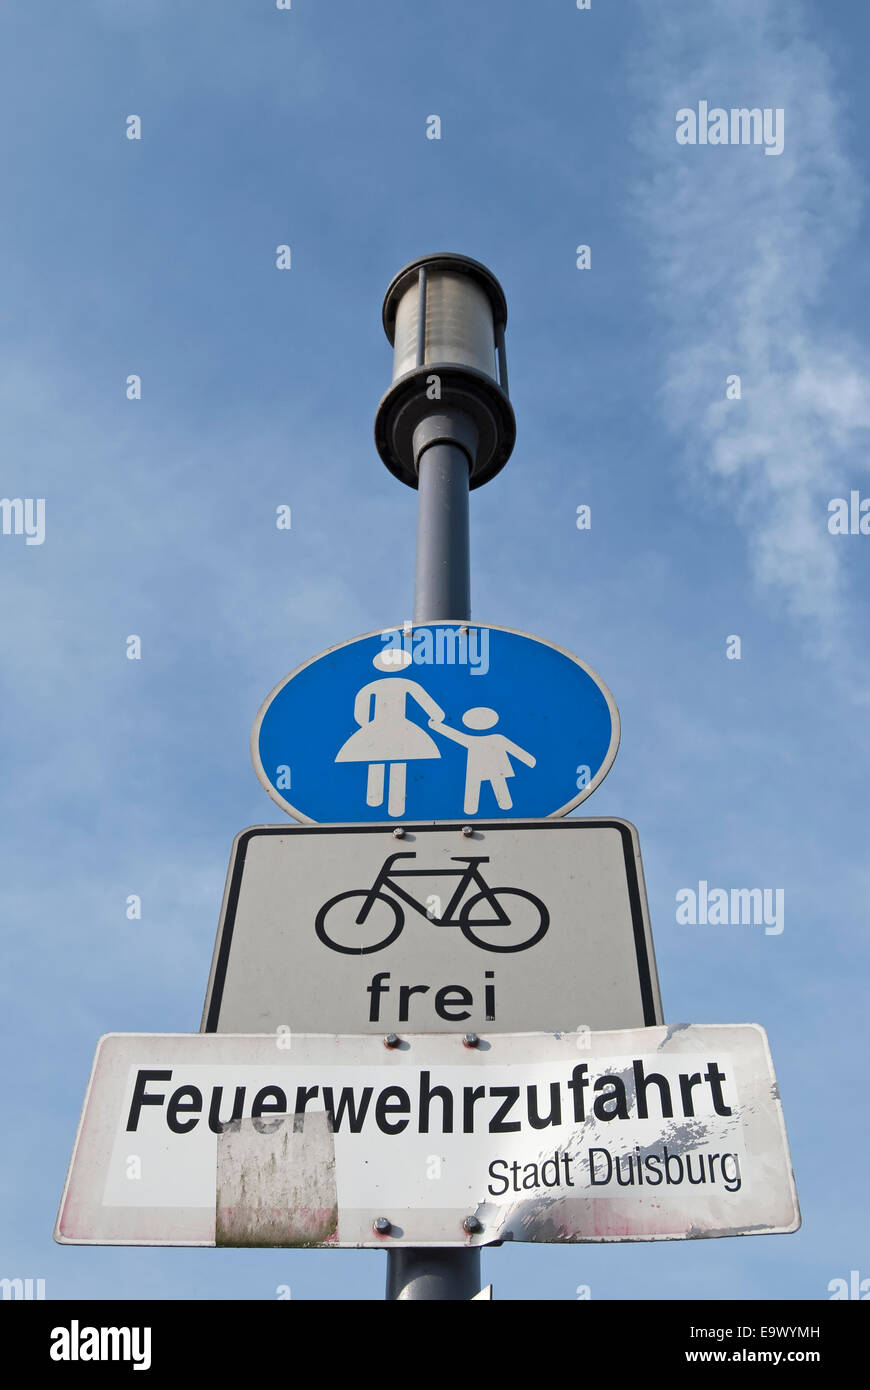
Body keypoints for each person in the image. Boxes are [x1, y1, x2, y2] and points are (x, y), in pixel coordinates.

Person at [335, 650, 445, 816]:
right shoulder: (406, 683)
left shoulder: (371, 686)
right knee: (400, 761)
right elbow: (429, 705)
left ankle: (374, 802)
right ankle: (396, 807)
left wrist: (368, 727)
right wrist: (437, 717)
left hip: (377, 728)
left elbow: (360, 713)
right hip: (402, 728)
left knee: (375, 760)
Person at [428, 707, 535, 814]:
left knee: (482, 785)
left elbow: (454, 734)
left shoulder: (475, 739)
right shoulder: (495, 738)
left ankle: (472, 809)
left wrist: (436, 725)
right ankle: (483, 808)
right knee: (490, 784)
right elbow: (515, 749)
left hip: (486, 767)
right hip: (490, 767)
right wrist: (529, 760)